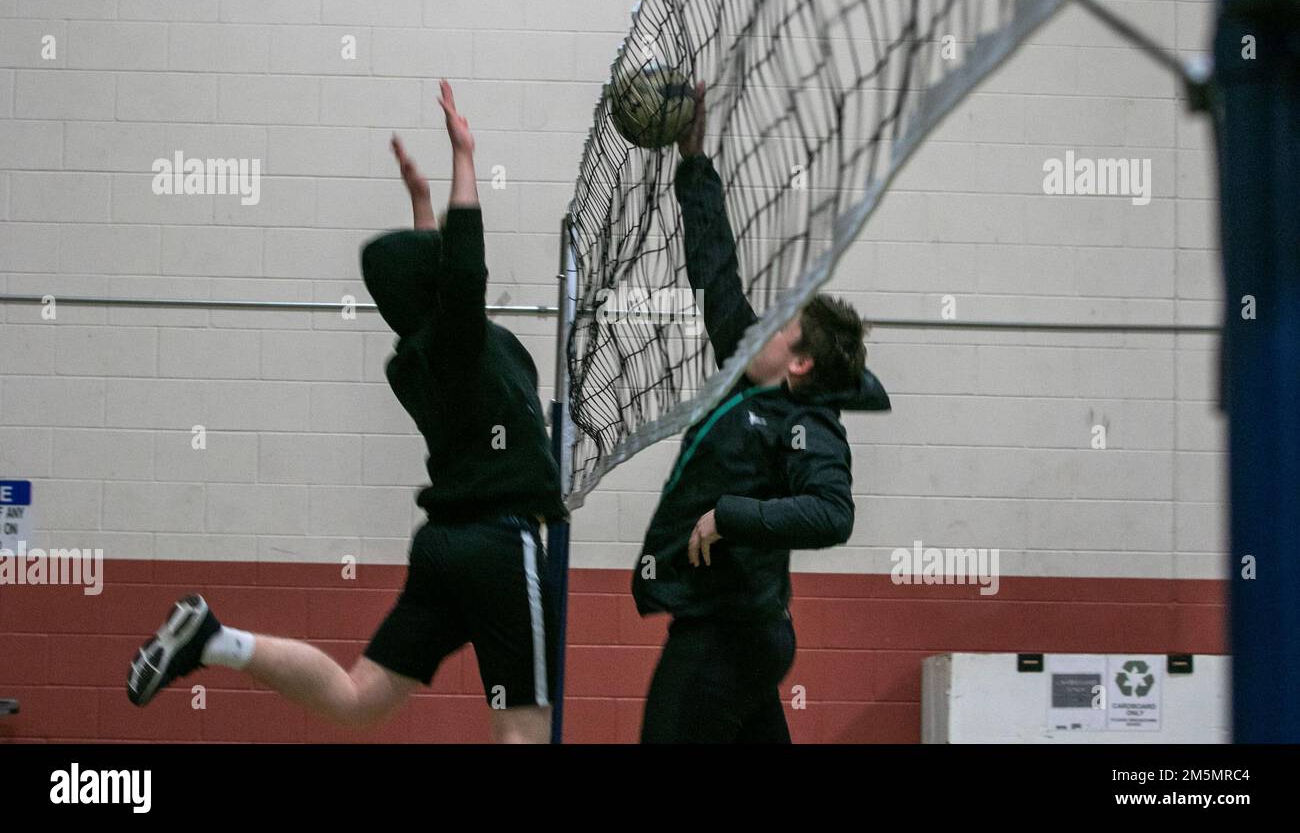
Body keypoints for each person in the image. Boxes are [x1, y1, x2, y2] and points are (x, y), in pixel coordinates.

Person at [126, 80, 563, 743]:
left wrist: (419, 199)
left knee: (359, 700)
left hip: (445, 547)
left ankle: (217, 642)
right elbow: (463, 268)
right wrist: (463, 155)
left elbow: (438, 275)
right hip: (501, 544)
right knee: (524, 731)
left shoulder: (422, 353)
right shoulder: (457, 342)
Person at [634, 81, 891, 743]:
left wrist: (732, 516)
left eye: (781, 325)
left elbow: (833, 514)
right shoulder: (747, 365)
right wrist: (694, 157)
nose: (763, 325)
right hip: (739, 629)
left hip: (731, 636)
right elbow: (716, 269)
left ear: (799, 362)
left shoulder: (810, 426)